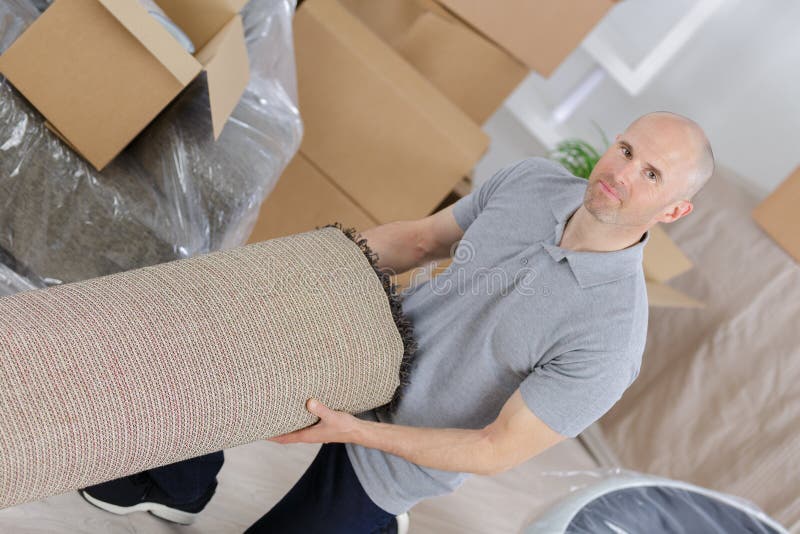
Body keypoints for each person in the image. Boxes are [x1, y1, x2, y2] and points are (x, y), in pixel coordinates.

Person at [79, 112, 714, 533]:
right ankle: (180, 484)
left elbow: (495, 449)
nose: (620, 174)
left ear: (674, 210)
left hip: (409, 447)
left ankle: (377, 524)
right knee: (220, 343)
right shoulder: (533, 182)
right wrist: (285, 274)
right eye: (626, 149)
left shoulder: (611, 335)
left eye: (651, 174)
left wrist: (353, 431)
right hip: (369, 351)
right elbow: (418, 241)